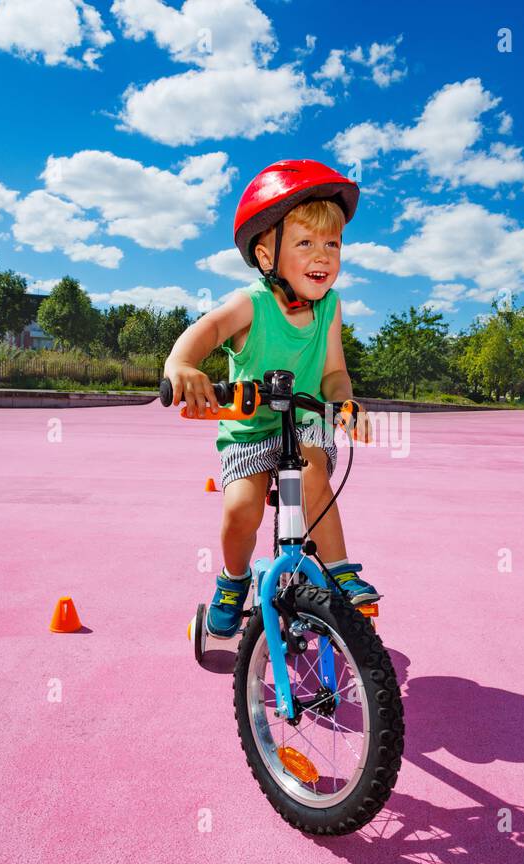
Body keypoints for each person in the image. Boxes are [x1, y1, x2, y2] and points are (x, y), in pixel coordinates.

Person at [163, 159, 382, 637]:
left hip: (300, 422)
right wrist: (182, 365)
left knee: (312, 469)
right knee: (242, 509)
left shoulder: (331, 309)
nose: (323, 254)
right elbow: (207, 330)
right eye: (305, 243)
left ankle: (339, 568)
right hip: (248, 426)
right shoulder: (252, 303)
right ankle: (233, 579)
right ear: (267, 257)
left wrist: (345, 402)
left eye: (332, 243)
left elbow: (334, 373)